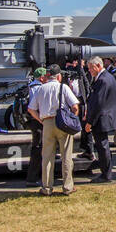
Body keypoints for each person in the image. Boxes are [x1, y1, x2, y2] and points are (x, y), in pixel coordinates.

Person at [28, 64, 79, 196]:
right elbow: (74, 105)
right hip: (62, 122)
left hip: (47, 123)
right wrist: (73, 117)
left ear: (47, 76)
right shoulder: (63, 87)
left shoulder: (40, 89)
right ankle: (67, 186)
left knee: (47, 157)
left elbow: (31, 109)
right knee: (66, 156)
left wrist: (41, 120)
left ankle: (46, 187)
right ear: (59, 76)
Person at [83, 57, 116, 182]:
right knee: (103, 146)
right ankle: (105, 169)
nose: (89, 71)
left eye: (90, 68)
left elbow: (99, 103)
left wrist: (90, 122)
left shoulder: (103, 80)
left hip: (102, 118)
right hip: (105, 117)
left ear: (97, 66)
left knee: (102, 146)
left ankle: (106, 174)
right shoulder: (107, 77)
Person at [24, 68, 47, 186]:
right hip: (37, 121)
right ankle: (32, 178)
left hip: (35, 120)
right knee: (37, 148)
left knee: (38, 148)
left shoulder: (31, 86)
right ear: (42, 77)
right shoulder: (37, 88)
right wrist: (41, 120)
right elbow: (33, 108)